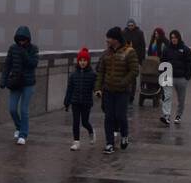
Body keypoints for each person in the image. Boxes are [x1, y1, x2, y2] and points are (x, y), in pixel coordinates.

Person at [95, 26, 140, 154]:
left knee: (120, 116)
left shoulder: (129, 52)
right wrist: (98, 88)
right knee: (108, 117)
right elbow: (100, 72)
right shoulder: (106, 53)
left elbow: (135, 70)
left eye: (109, 38)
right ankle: (109, 143)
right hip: (108, 90)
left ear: (116, 39)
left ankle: (124, 136)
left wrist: (124, 82)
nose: (107, 40)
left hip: (123, 91)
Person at [0, 25, 39, 144]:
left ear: (28, 39)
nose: (22, 42)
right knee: (12, 108)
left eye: (24, 40)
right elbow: (7, 65)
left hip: (28, 83)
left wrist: (24, 54)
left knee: (24, 109)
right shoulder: (12, 49)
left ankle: (23, 134)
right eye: (20, 40)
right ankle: (19, 126)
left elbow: (33, 64)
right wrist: (3, 80)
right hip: (15, 82)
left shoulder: (33, 49)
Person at [63, 47, 97, 150]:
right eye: (81, 60)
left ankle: (91, 131)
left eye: (85, 60)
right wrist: (67, 102)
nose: (82, 62)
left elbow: (95, 87)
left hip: (86, 102)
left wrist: (97, 92)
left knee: (85, 122)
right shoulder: (73, 75)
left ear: (88, 61)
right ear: (78, 61)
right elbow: (69, 89)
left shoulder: (92, 75)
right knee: (76, 122)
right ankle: (76, 142)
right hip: (75, 101)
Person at [160, 29, 191, 125]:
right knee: (167, 97)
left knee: (181, 98)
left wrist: (187, 76)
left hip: (181, 78)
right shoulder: (167, 49)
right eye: (172, 38)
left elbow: (190, 63)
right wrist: (162, 73)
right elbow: (162, 62)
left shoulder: (185, 49)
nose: (173, 39)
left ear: (179, 38)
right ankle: (166, 116)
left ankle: (178, 115)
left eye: (175, 37)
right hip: (168, 76)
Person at [125, 19, 147, 103]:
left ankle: (131, 95)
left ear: (134, 25)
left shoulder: (139, 33)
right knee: (126, 77)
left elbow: (142, 46)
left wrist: (142, 60)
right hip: (126, 58)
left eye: (132, 25)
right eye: (129, 25)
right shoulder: (124, 33)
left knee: (133, 77)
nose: (130, 27)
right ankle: (126, 94)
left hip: (136, 58)